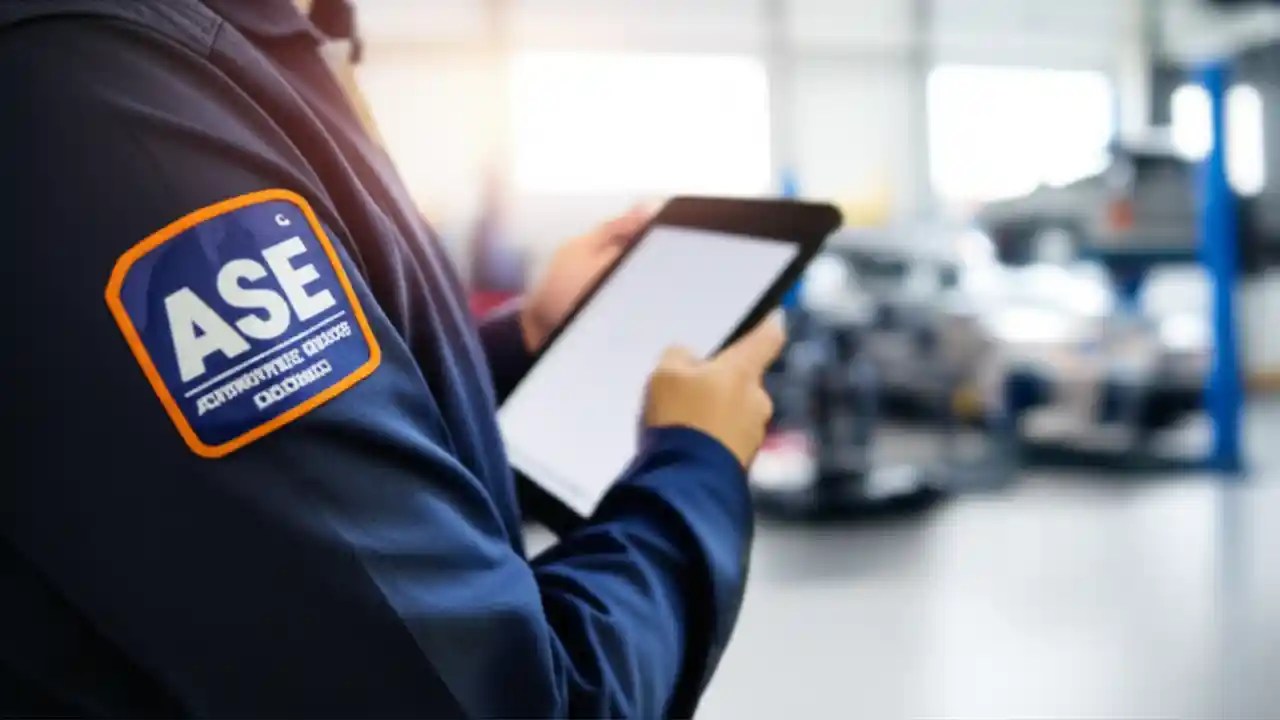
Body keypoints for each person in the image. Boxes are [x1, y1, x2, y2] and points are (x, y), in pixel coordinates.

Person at [0, 0, 784, 716]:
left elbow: (301, 477)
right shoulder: (121, 102)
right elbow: (503, 699)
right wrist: (695, 465)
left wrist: (522, 343)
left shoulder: (269, 44)